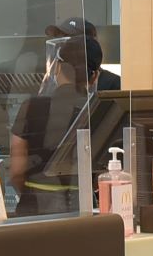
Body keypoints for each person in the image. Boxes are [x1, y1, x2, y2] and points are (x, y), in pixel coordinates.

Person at [8, 30, 98, 215]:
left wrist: (31, 194)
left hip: (35, 207)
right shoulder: (97, 111)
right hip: (82, 207)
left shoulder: (31, 107)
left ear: (56, 67)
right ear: (94, 76)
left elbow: (16, 171)